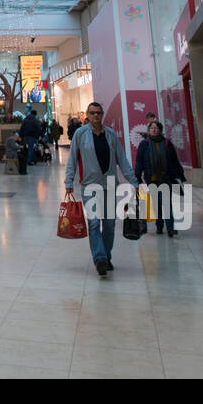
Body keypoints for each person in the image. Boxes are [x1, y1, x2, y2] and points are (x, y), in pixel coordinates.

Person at [64, 102, 137, 277]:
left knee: (110, 225)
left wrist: (133, 181)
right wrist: (69, 181)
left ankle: (106, 256)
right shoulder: (80, 134)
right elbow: (72, 159)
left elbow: (122, 160)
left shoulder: (110, 135)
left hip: (111, 185)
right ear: (87, 115)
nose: (96, 116)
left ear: (102, 114)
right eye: (92, 113)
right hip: (90, 186)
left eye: (98, 113)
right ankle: (99, 259)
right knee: (94, 222)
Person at [135, 120, 187, 236]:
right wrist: (137, 176)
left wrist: (181, 175)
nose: (153, 130)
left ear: (160, 130)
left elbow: (174, 160)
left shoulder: (167, 143)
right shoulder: (145, 144)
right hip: (151, 179)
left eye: (156, 128)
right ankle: (159, 225)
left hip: (166, 178)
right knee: (156, 204)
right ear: (149, 130)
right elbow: (139, 160)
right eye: (151, 128)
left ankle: (170, 228)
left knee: (167, 203)